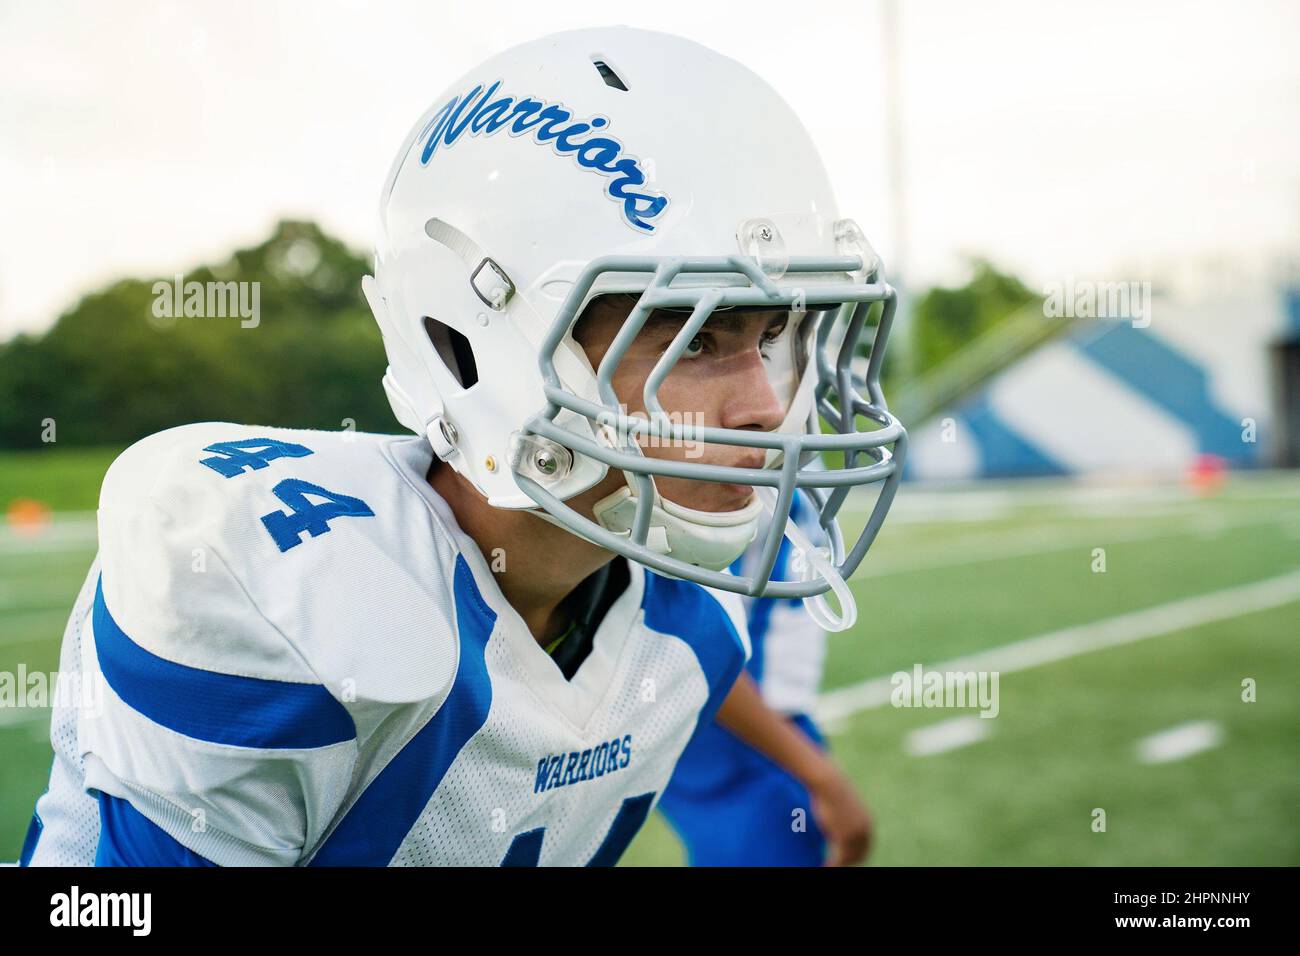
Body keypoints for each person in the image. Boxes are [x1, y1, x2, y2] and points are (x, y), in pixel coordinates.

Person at [18, 25, 905, 867]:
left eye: (772, 338)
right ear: (473, 342)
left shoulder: (687, 631)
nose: (761, 408)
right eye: (695, 339)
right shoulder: (278, 588)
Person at [660, 489, 874, 866]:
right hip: (743, 733)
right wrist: (822, 777)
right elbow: (698, 642)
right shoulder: (730, 461)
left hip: (765, 727)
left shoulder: (783, 451)